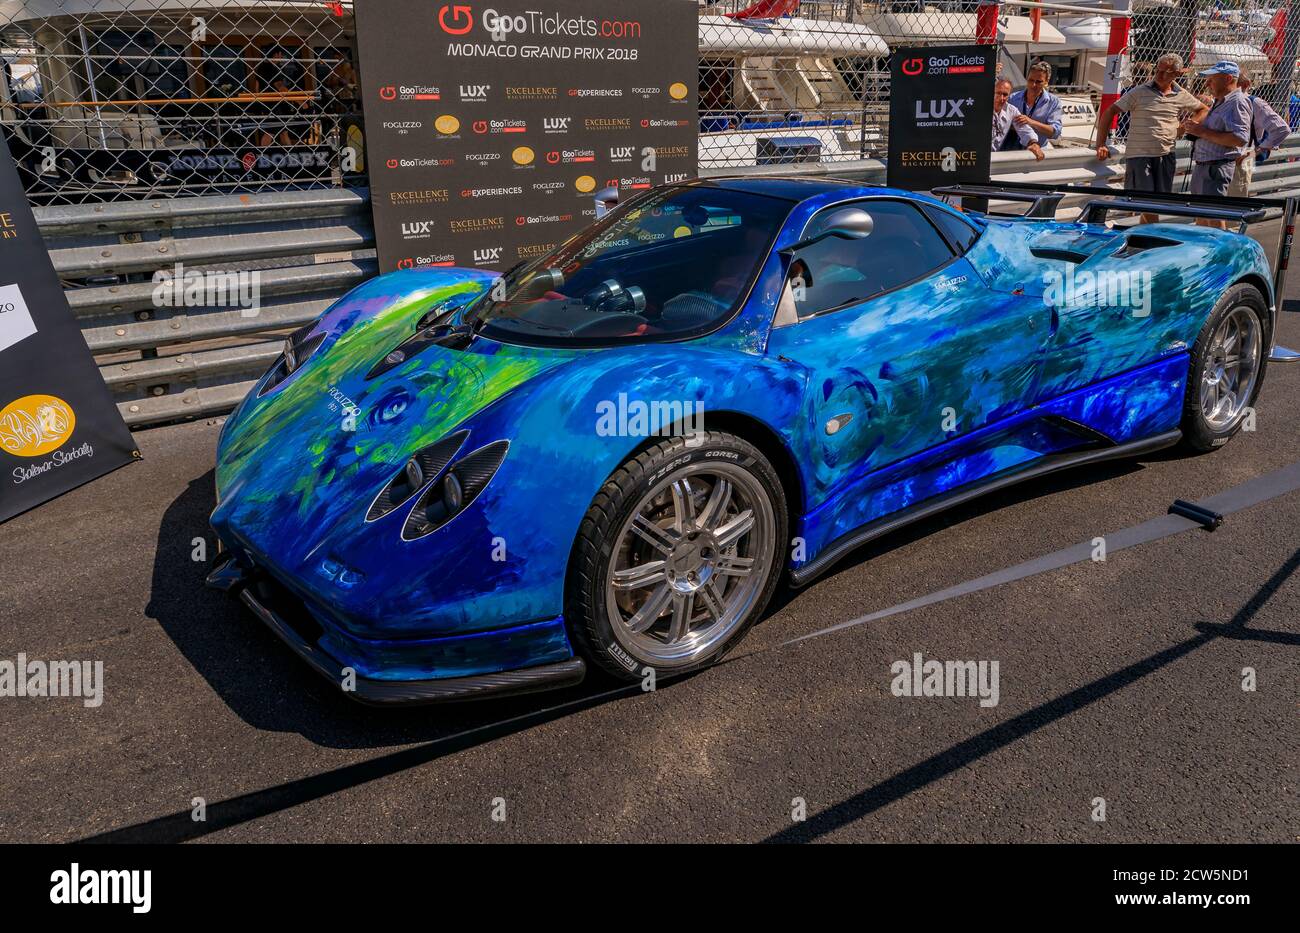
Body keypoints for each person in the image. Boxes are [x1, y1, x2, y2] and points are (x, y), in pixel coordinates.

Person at [1096, 53, 1207, 222]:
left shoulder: (1180, 94)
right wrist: (1101, 143)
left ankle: (1145, 234)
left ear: (1176, 74)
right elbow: (1110, 111)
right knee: (1146, 204)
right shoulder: (1139, 92)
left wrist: (1186, 126)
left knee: (1155, 204)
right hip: (1140, 155)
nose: (1159, 75)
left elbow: (1203, 109)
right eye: (1158, 71)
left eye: (1165, 72)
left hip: (1165, 153)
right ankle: (1151, 233)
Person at [1180, 61, 1251, 227]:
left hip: (1215, 167)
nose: (1207, 84)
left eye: (1211, 79)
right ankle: (1205, 243)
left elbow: (1239, 138)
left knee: (1213, 216)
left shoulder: (1237, 102)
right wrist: (1197, 129)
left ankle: (1218, 244)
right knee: (1202, 215)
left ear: (1228, 79)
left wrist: (1202, 132)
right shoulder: (1221, 101)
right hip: (1205, 166)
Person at [1228, 76, 1292, 197]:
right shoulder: (1223, 102)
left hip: (1242, 156)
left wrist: (1254, 152)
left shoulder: (1254, 102)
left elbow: (1282, 129)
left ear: (1245, 85)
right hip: (1222, 157)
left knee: (1235, 200)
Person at [1004, 60, 1063, 150]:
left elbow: (1055, 132)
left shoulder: (1054, 102)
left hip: (1037, 152)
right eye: (1031, 80)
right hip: (1011, 151)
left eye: (1038, 82)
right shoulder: (1012, 98)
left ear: (1046, 81)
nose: (1033, 85)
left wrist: (1031, 122)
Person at [993, 79, 1045, 160]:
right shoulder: (980, 108)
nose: (1001, 98)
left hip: (995, 157)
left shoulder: (1012, 110)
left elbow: (1024, 129)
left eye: (1005, 94)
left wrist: (1033, 143)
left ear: (1009, 96)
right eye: (998, 93)